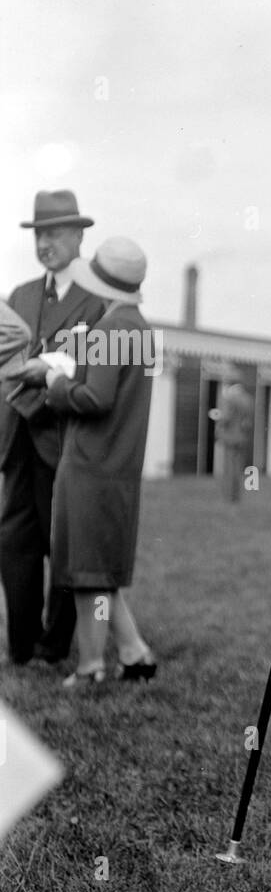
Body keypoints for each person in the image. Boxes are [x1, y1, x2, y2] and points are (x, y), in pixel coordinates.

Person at [17, 237, 158, 686]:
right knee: (98, 569)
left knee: (84, 573)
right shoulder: (139, 329)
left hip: (89, 465)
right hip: (119, 466)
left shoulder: (109, 329)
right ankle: (134, 653)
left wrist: (57, 380)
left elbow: (95, 398)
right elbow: (114, 390)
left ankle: (90, 665)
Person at [0, 191, 105, 665]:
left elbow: (97, 370)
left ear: (79, 235)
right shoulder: (18, 295)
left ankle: (53, 644)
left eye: (55, 232)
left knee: (62, 541)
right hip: (15, 436)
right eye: (40, 233)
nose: (46, 242)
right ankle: (20, 645)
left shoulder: (100, 302)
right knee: (14, 540)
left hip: (63, 437)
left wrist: (51, 366)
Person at [211, 380, 254, 502]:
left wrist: (218, 422)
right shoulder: (248, 399)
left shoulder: (230, 399)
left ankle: (229, 497)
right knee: (237, 467)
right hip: (242, 437)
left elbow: (226, 417)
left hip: (230, 437)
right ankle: (237, 496)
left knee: (229, 468)